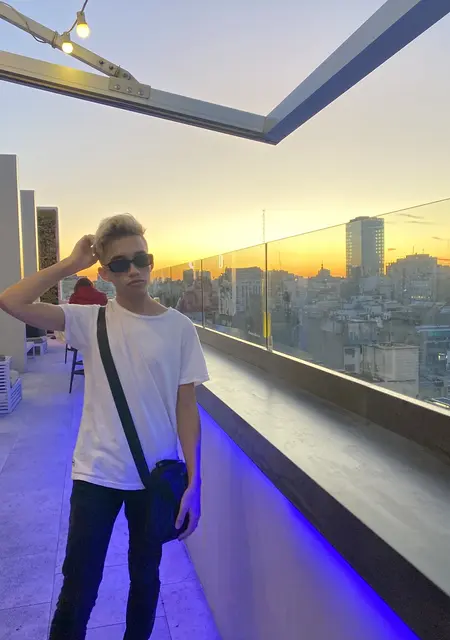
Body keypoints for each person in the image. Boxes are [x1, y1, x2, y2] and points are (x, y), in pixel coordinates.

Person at [0, 214, 209, 640]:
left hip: (154, 477)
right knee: (78, 588)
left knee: (146, 582)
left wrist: (195, 481)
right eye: (120, 264)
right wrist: (68, 265)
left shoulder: (179, 328)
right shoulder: (90, 321)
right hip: (96, 473)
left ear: (151, 262)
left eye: (141, 259)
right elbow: (12, 301)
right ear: (104, 273)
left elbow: (187, 407)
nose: (134, 270)